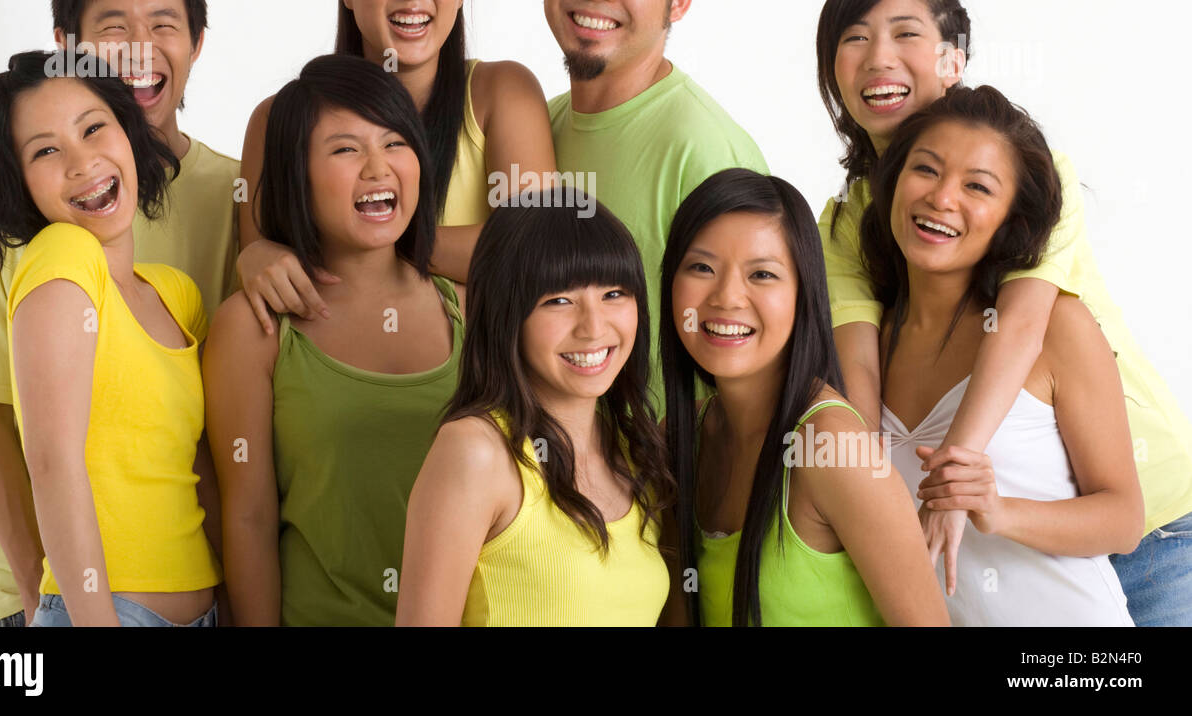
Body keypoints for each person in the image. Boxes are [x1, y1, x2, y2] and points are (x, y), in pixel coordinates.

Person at [815, 0, 1192, 624]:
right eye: (853, 37)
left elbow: (1019, 327)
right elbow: (859, 378)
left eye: (905, 34)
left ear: (952, 61)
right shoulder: (848, 218)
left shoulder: (1031, 169)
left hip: (1153, 520)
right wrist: (875, 498)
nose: (879, 57)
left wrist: (954, 484)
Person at [0, 0, 239, 627]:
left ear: (197, 41)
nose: (140, 50)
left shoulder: (238, 195)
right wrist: (49, 601)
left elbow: (212, 437)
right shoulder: (2, 217)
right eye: (112, 28)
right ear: (66, 49)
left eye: (163, 24)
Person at [865, 86, 1142, 625]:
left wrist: (997, 511)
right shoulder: (865, 342)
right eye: (926, 169)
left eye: (978, 187)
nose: (942, 198)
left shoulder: (1058, 326)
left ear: (1011, 219)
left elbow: (1124, 519)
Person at [205, 54, 463, 626]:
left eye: (395, 142)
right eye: (346, 149)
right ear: (296, 174)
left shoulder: (470, 308)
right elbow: (246, 517)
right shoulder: (253, 329)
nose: (378, 167)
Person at [0, 50, 221, 626]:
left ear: (128, 134)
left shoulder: (176, 295)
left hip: (202, 609)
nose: (82, 163)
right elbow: (53, 461)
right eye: (46, 151)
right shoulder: (63, 254)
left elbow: (203, 473)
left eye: (93, 128)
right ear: (18, 183)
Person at [237, 0, 555, 331]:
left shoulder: (502, 92)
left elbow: (539, 252)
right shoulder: (276, 118)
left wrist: (378, 240)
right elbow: (258, 274)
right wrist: (255, 256)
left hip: (478, 388)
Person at [659, 169, 948, 626]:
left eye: (762, 274)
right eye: (701, 267)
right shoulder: (678, 438)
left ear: (803, 296)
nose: (728, 297)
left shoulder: (833, 448)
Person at [545, 0, 768, 415]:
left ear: (679, 0)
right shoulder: (535, 128)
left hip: (662, 490)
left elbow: (750, 374)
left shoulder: (705, 149)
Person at [396, 191, 672, 626]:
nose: (594, 327)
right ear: (508, 316)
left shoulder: (636, 450)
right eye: (558, 300)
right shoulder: (476, 451)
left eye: (614, 293)